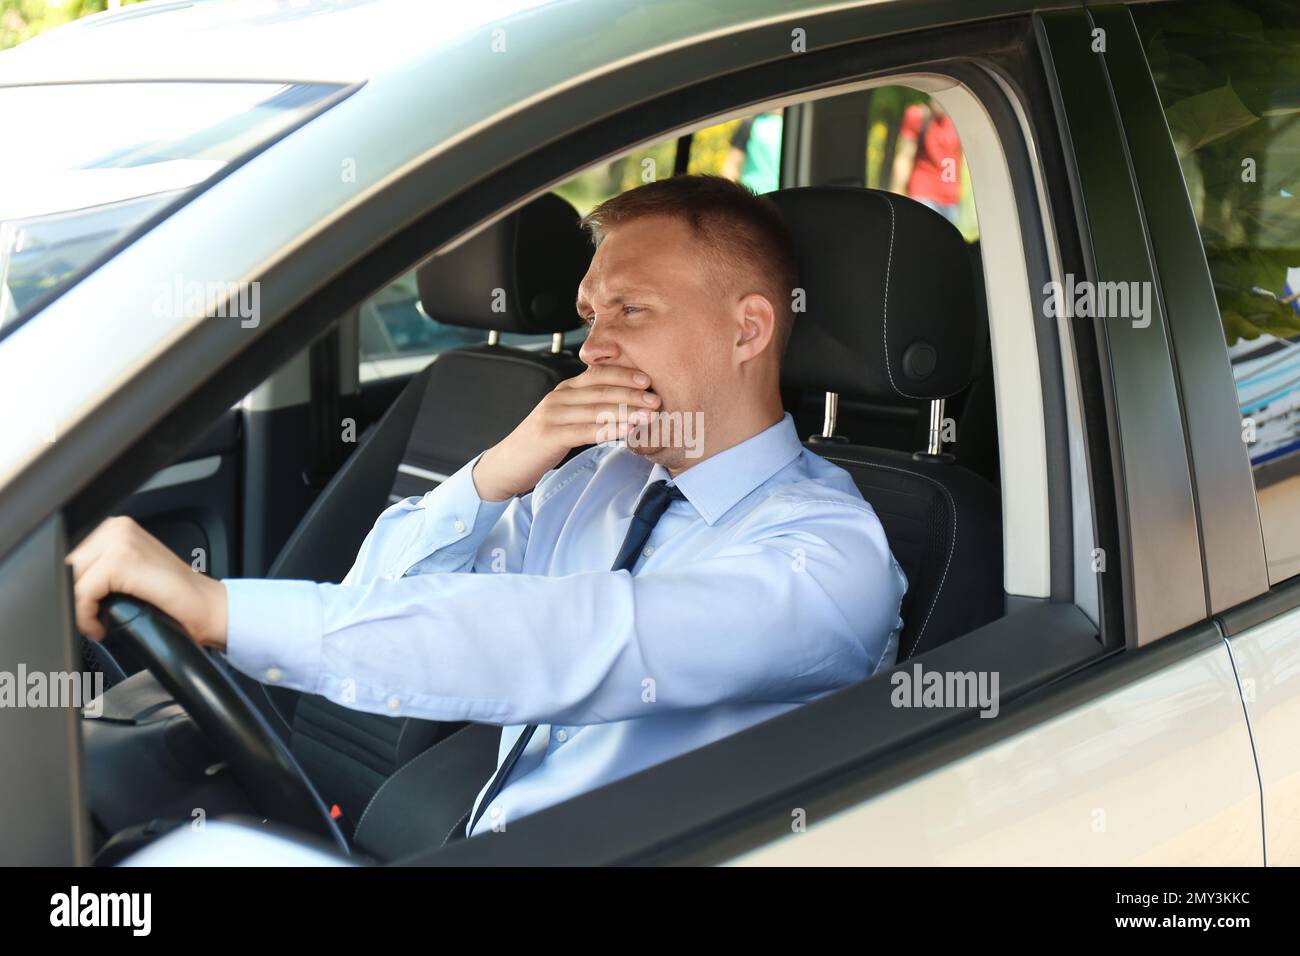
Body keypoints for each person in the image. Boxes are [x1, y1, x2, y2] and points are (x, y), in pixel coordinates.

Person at [68, 174, 908, 841]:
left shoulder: (828, 556)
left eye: (631, 310)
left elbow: (571, 638)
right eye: (590, 314)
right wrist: (496, 472)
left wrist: (221, 609)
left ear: (750, 330)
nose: (592, 345)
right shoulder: (591, 480)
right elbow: (387, 593)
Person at [888, 99, 963, 224]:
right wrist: (895, 199)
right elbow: (904, 157)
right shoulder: (918, 116)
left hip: (951, 201)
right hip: (923, 195)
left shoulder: (958, 121)